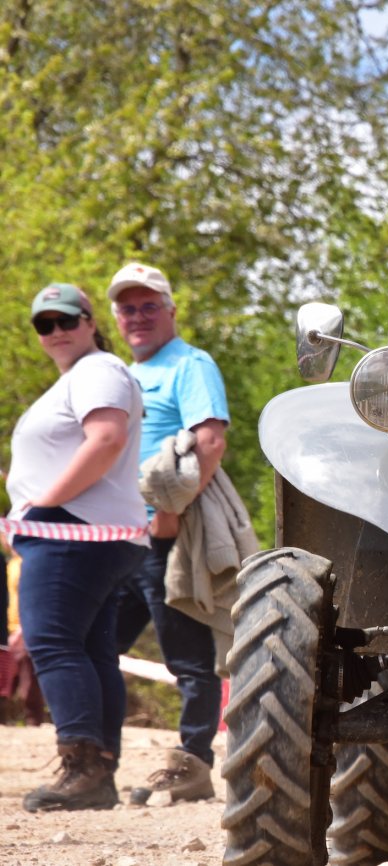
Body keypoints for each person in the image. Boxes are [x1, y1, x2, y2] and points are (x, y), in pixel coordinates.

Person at [5, 283, 148, 810]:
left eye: (67, 319)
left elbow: (106, 438)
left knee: (53, 643)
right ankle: (97, 772)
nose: (57, 331)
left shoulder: (98, 370)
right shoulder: (82, 377)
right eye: (45, 324)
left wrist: (41, 505)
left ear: (91, 322)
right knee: (89, 649)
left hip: (72, 531)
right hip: (85, 532)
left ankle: (83, 768)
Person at [109, 262, 229, 803]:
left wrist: (168, 511)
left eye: (149, 306)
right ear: (115, 318)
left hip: (161, 536)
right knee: (95, 646)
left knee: (187, 658)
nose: (138, 317)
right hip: (115, 538)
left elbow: (209, 442)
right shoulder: (119, 373)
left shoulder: (190, 364)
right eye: (127, 309)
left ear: (171, 311)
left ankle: (192, 766)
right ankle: (92, 760)